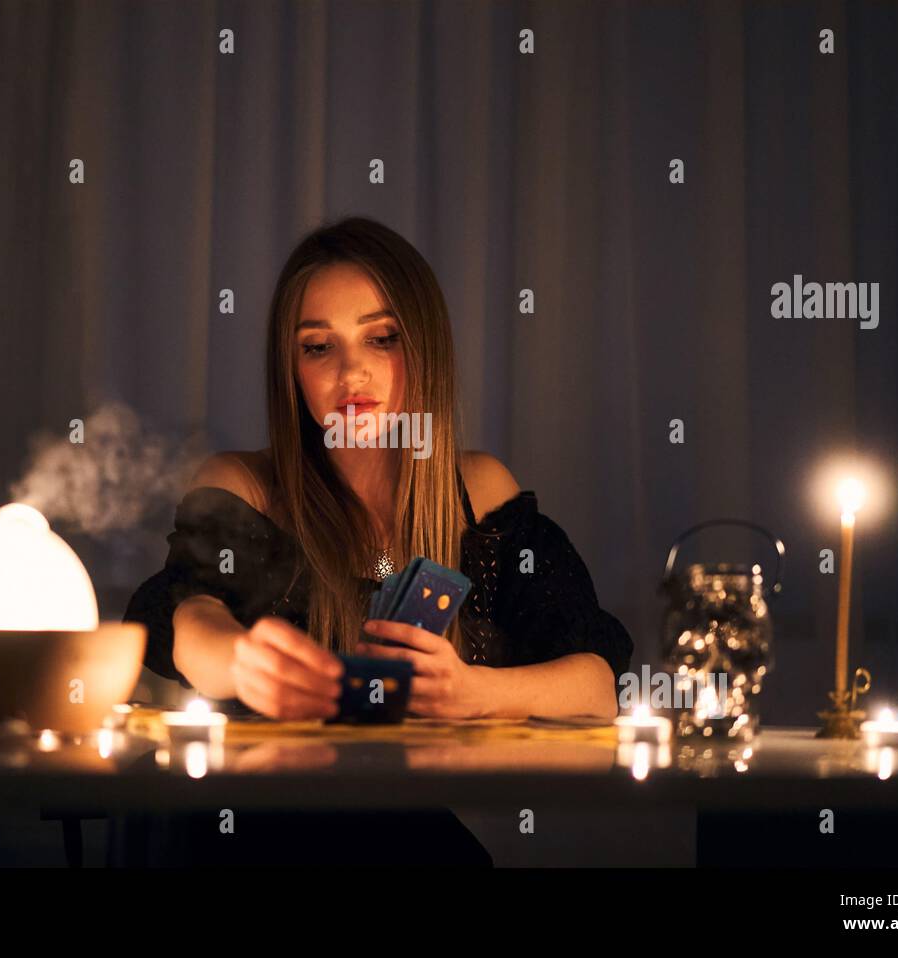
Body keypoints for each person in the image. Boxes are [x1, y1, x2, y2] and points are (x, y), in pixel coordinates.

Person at [114, 216, 633, 865]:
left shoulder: (479, 489)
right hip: (246, 833)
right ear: (290, 369)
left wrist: (471, 694)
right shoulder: (244, 482)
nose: (351, 372)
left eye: (380, 338)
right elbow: (189, 620)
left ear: (424, 348)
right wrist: (246, 661)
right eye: (318, 346)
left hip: (398, 833)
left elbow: (594, 688)